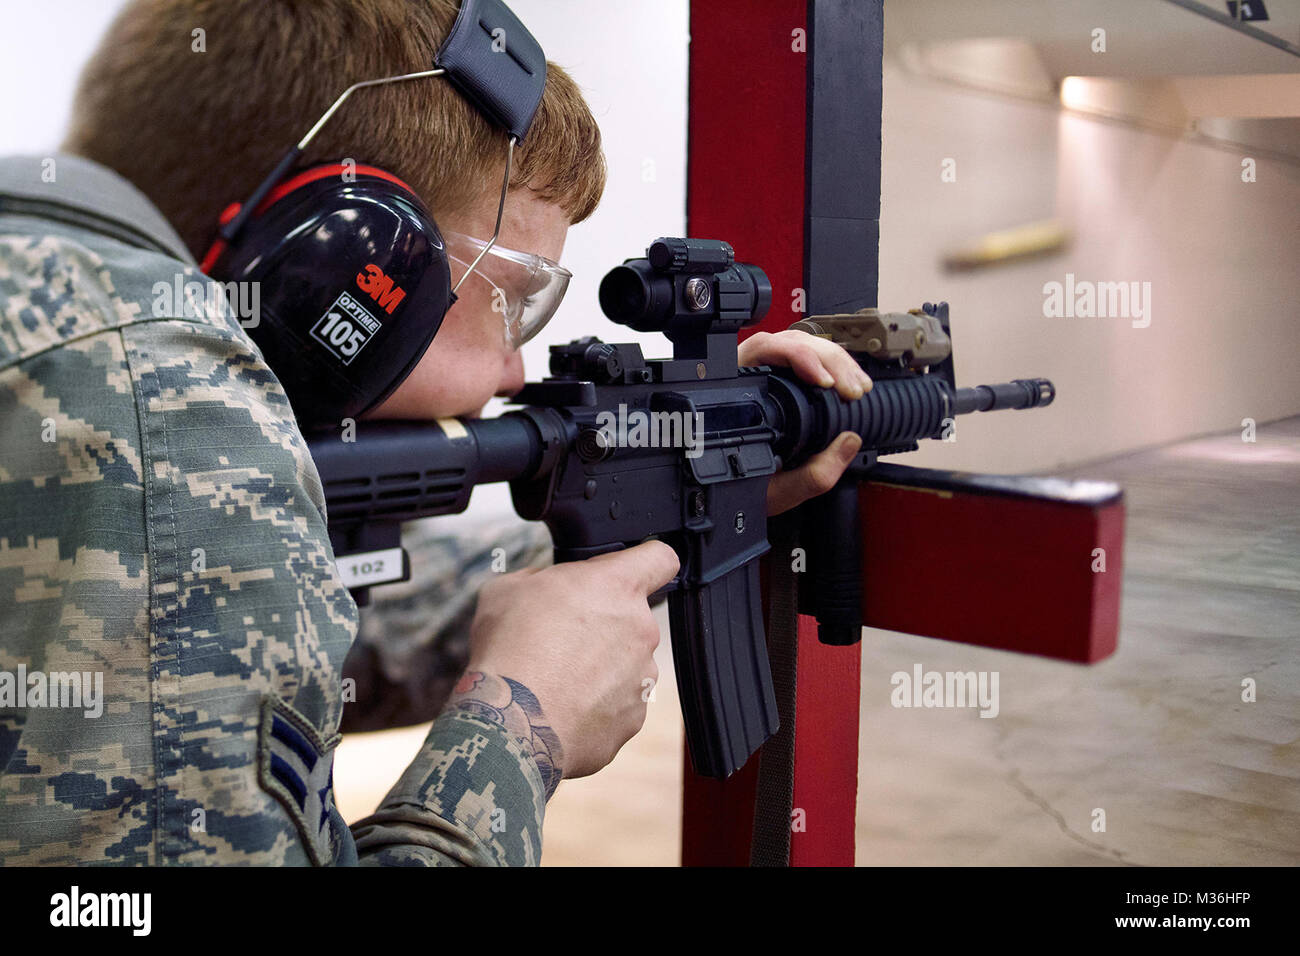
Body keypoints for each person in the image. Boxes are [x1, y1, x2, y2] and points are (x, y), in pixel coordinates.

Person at [0, 0, 868, 865]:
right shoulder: (165, 408)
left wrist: (660, 505)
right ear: (341, 266)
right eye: (509, 300)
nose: (516, 374)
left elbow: (294, 662)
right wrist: (518, 728)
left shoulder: (60, 317)